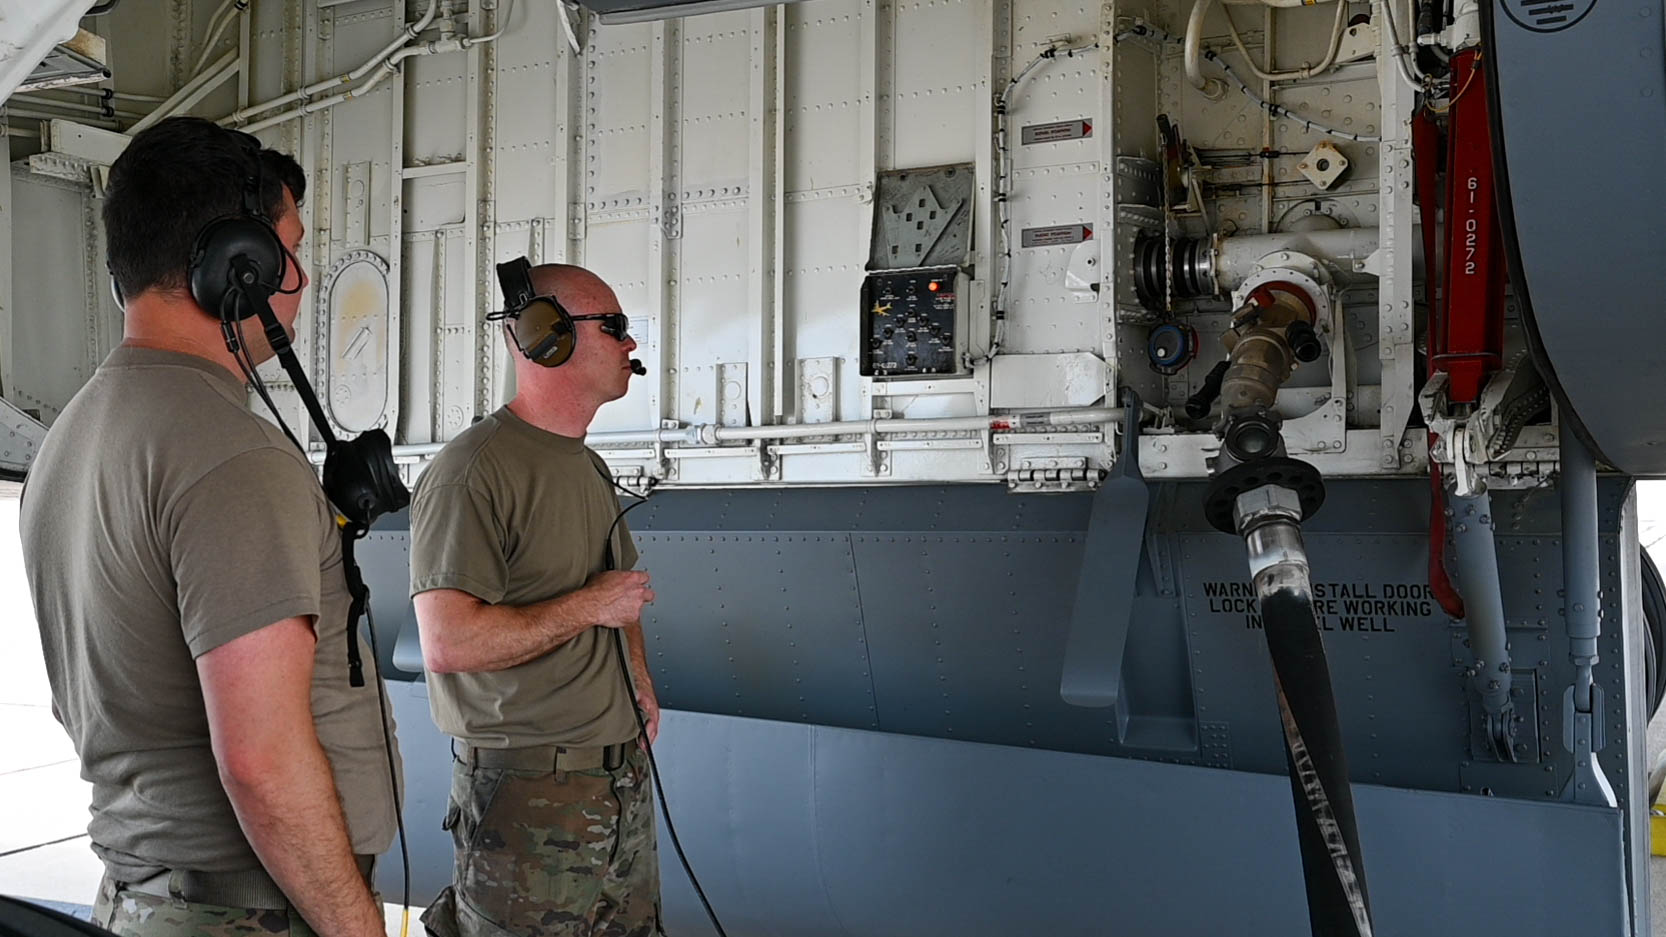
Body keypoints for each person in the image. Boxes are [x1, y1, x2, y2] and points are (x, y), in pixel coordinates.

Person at [18, 117, 398, 937]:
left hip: (147, 896)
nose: (300, 277)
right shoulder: (230, 455)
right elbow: (263, 763)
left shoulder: (68, 443)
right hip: (246, 910)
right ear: (240, 267)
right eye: (288, 250)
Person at [409, 261, 662, 937]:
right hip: (527, 797)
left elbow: (619, 593)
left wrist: (637, 675)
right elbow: (449, 641)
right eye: (613, 327)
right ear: (547, 337)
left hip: (617, 785)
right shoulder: (471, 472)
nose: (628, 345)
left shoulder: (587, 465)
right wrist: (588, 607)